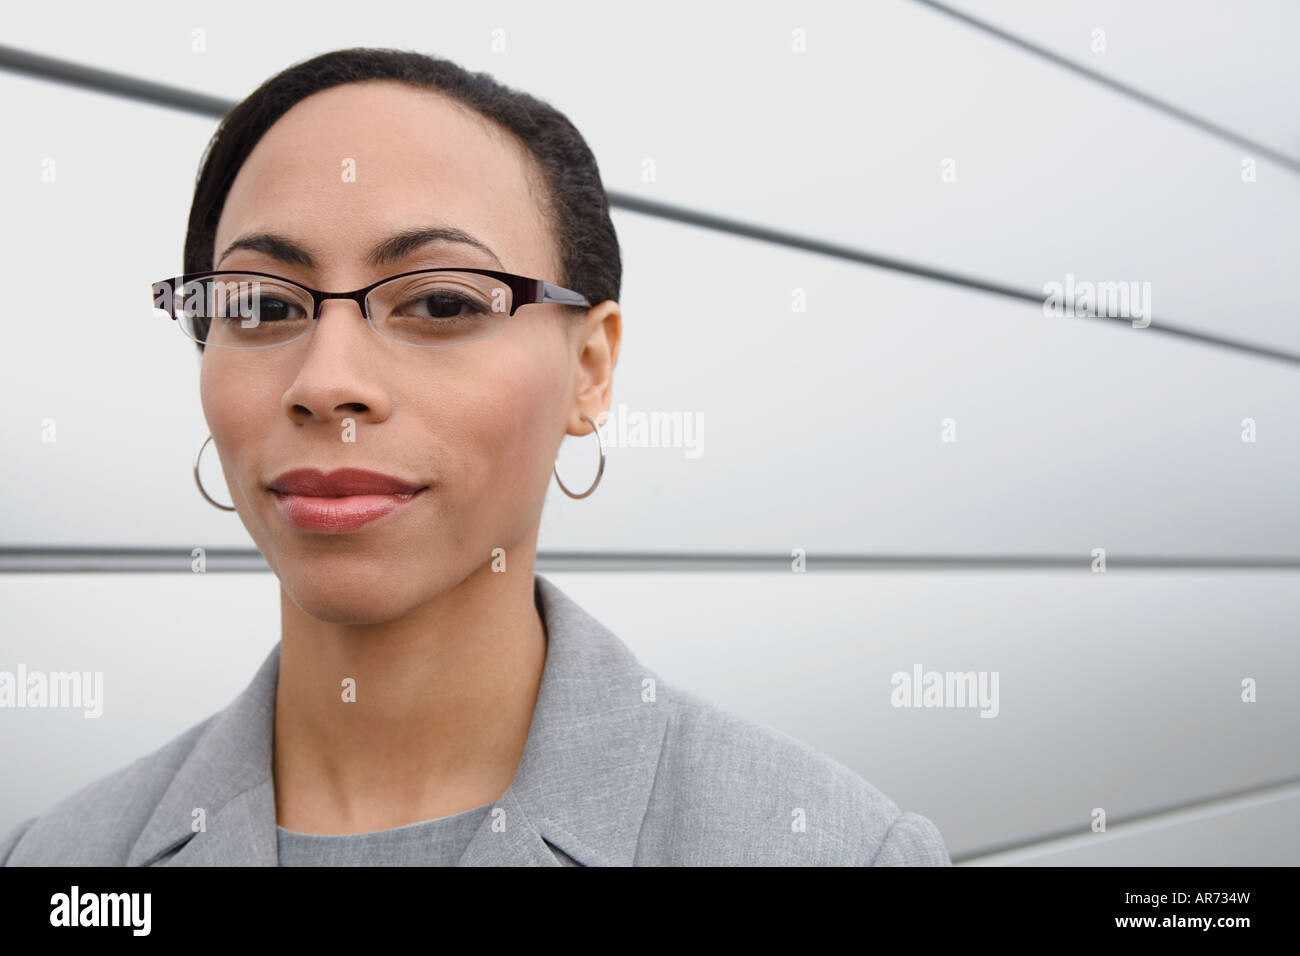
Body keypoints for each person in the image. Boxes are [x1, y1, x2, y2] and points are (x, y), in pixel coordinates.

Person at [1, 47, 949, 866]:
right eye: (263, 305)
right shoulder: (65, 857)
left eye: (443, 303)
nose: (327, 381)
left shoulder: (830, 848)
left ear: (590, 367)